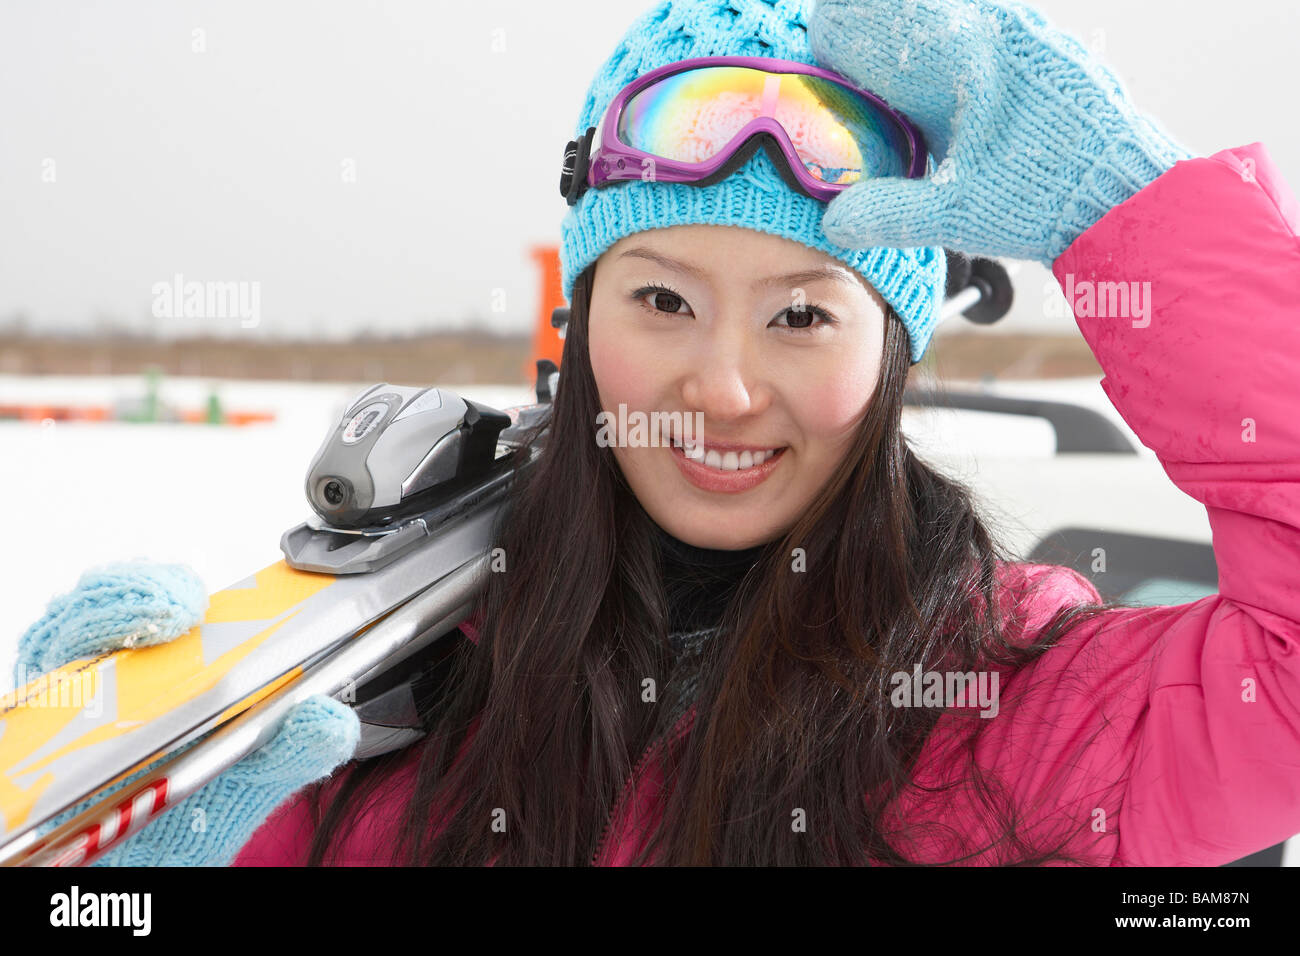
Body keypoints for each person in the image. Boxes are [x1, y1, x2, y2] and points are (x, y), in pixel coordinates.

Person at [20, 0, 1300, 865]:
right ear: (582, 334)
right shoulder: (379, 701)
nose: (724, 387)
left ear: (892, 356)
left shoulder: (1007, 711)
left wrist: (1134, 212)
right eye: (663, 302)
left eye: (800, 314)